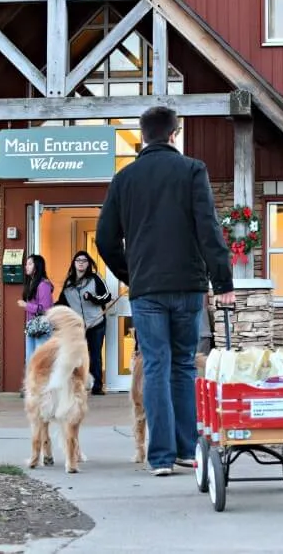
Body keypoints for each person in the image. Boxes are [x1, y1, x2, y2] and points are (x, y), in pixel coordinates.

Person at [96, 105, 235, 476]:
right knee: (184, 366)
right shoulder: (192, 170)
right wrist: (222, 282)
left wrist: (132, 274)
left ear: (143, 137)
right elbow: (209, 229)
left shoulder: (124, 179)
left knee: (155, 366)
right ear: (175, 134)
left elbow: (105, 240)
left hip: (147, 290)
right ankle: (187, 450)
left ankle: (159, 458)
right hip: (188, 286)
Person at [57, 250, 112, 395]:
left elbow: (107, 296)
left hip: (96, 323)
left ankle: (97, 386)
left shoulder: (95, 278)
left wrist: (92, 297)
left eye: (84, 260)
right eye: (78, 260)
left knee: (95, 355)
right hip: (78, 326)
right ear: (74, 264)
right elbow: (63, 302)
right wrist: (50, 310)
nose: (81, 263)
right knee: (77, 355)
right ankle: (78, 385)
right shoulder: (69, 283)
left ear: (88, 264)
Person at [18, 254, 54, 364]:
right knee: (30, 361)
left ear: (37, 266)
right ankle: (32, 381)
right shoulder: (31, 283)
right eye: (26, 264)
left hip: (41, 328)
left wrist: (26, 305)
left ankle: (42, 382)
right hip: (31, 327)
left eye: (29, 264)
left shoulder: (43, 285)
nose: (26, 266)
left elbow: (46, 309)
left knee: (41, 363)